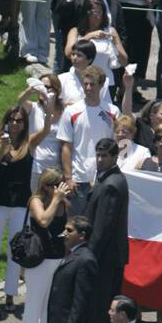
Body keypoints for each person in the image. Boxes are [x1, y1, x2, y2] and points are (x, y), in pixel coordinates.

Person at [0, 103, 54, 309]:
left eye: (19, 120)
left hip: (19, 204)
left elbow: (47, 130)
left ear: (24, 124)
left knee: (16, 249)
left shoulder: (29, 143)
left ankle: (10, 294)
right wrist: (3, 147)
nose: (14, 123)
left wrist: (48, 111)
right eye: (11, 119)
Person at [19, 170, 69, 323]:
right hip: (39, 261)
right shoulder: (36, 201)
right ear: (47, 186)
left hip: (57, 259)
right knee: (33, 307)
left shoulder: (63, 202)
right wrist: (56, 200)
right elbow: (43, 221)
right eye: (57, 184)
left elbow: (64, 226)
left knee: (51, 308)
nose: (61, 188)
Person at [86, 138, 130, 323]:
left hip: (106, 257)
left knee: (101, 303)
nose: (100, 159)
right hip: (110, 256)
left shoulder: (112, 184)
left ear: (115, 157)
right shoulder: (109, 179)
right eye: (98, 155)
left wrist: (89, 255)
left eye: (105, 156)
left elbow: (103, 227)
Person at [57, 66, 119, 216]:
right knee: (77, 226)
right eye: (85, 84)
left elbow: (117, 145)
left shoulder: (113, 112)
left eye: (92, 84)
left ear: (101, 85)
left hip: (104, 177)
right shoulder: (71, 111)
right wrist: (68, 178)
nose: (88, 88)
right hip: (79, 180)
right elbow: (66, 146)